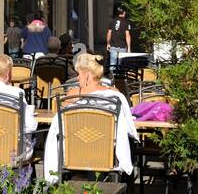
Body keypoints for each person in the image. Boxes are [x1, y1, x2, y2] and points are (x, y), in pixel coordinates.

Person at [43, 53, 138, 182]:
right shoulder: (114, 94)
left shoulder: (72, 95)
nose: (77, 78)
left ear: (87, 75)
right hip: (105, 153)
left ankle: (76, 179)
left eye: (79, 74)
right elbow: (125, 126)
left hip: (74, 152)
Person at [106, 5, 132, 73]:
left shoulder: (112, 21)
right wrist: (129, 47)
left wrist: (108, 43)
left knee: (112, 64)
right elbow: (127, 35)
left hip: (113, 46)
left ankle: (112, 77)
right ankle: (118, 77)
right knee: (120, 65)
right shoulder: (126, 22)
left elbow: (109, 33)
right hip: (122, 46)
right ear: (124, 12)